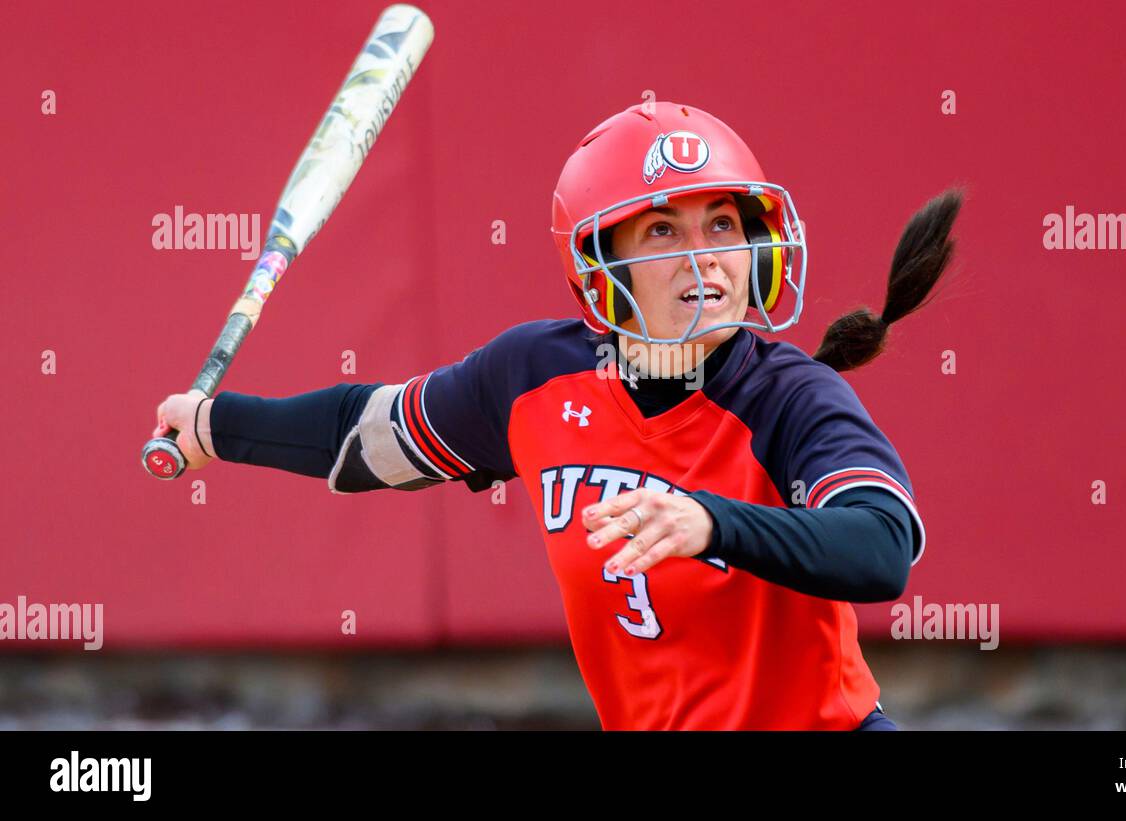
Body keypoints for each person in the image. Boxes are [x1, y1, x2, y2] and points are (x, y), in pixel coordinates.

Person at [152, 102, 961, 730]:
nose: (702, 256)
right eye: (661, 229)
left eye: (722, 223)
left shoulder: (788, 394)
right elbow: (364, 436)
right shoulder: (534, 375)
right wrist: (215, 427)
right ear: (600, 268)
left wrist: (714, 523)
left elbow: (881, 549)